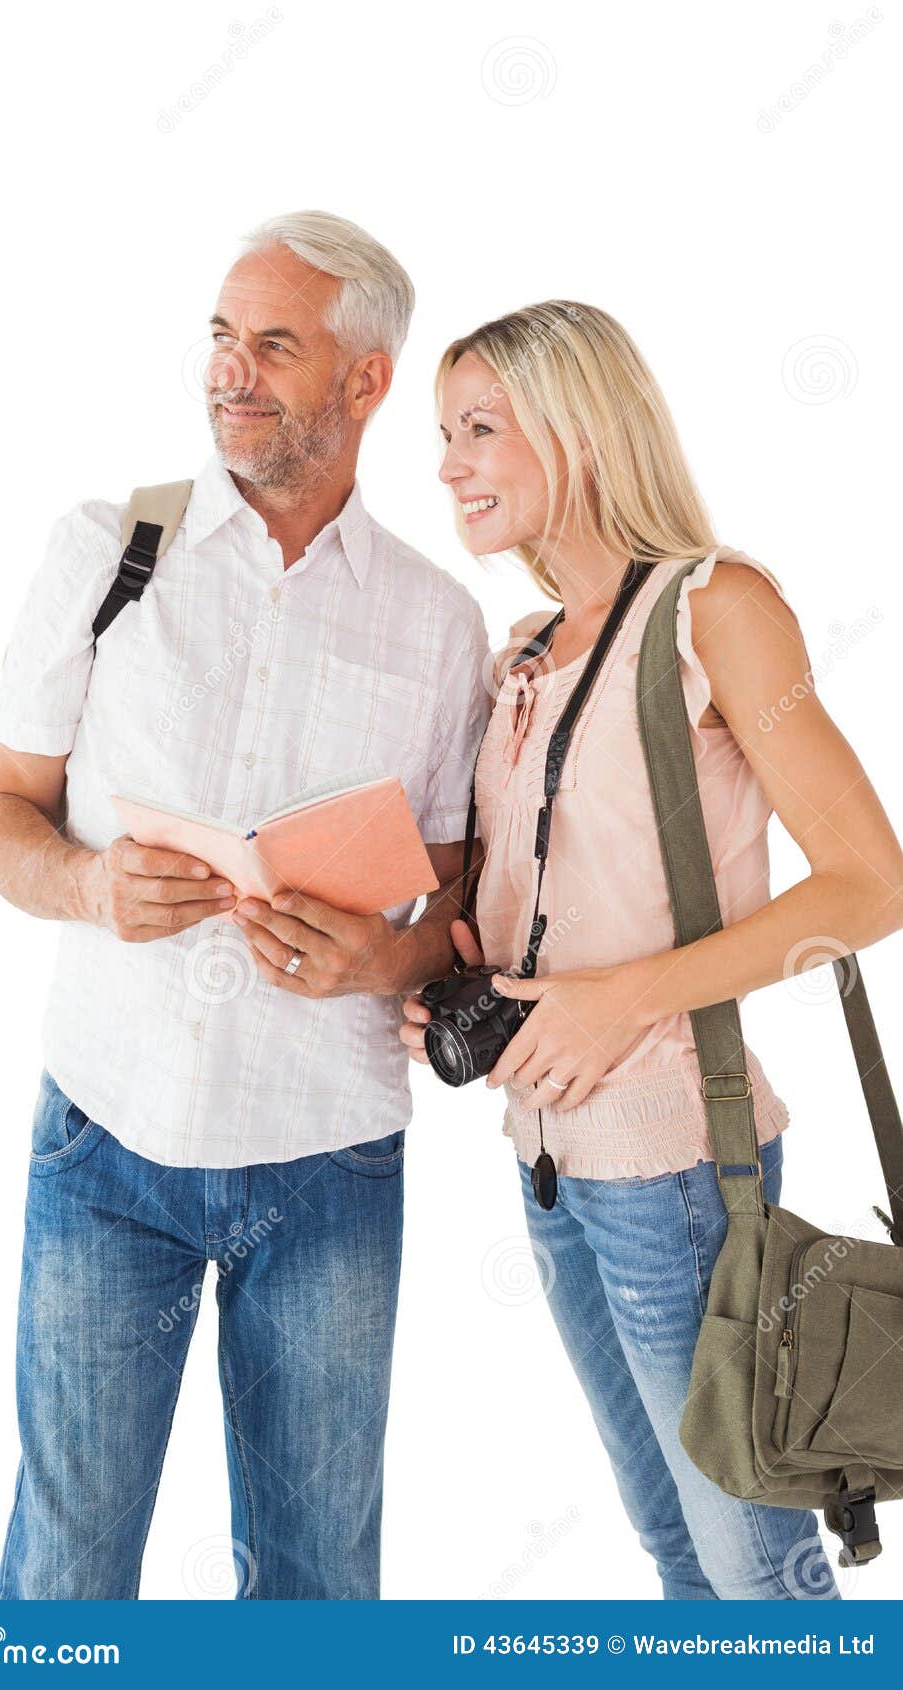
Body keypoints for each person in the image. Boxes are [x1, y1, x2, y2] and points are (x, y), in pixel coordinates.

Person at [0, 210, 490, 1600]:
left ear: (366, 380)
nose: (229, 372)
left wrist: (385, 951)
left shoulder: (438, 622)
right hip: (107, 1137)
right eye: (218, 336)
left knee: (318, 1576)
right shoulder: (107, 549)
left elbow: (454, 907)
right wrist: (84, 879)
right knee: (67, 1566)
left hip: (326, 1157)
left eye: (273, 344)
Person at [400, 300, 903, 1599]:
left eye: (479, 427)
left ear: (575, 427)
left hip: (675, 1166)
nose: (447, 462)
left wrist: (621, 1000)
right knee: (677, 1548)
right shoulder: (521, 655)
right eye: (441, 433)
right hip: (551, 1161)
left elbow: (869, 884)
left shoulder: (713, 609)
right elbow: (532, 905)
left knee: (759, 1574)